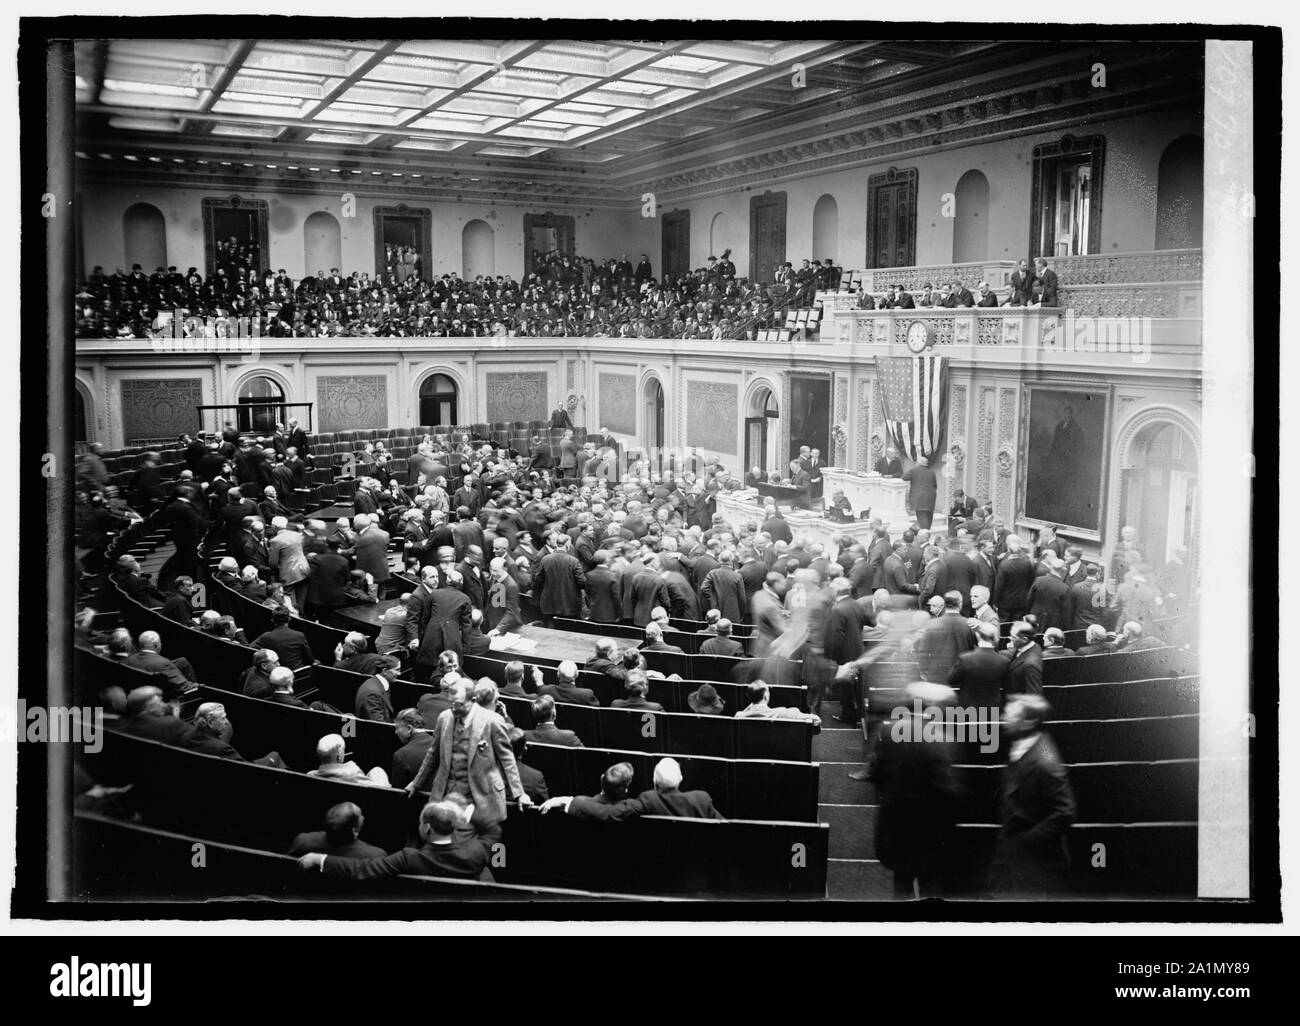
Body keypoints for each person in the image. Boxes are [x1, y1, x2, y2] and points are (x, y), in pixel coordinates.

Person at [868, 681, 962, 899]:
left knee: (901, 881)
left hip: (895, 821)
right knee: (930, 885)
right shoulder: (942, 739)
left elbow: (876, 772)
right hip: (929, 827)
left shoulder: (889, 729)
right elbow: (948, 790)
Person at [405, 679, 532, 838]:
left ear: (473, 701)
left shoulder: (492, 721)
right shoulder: (444, 718)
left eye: (458, 704)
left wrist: (519, 794)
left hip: (481, 793)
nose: (453, 709)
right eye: (451, 704)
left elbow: (507, 759)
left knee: (477, 845)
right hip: (447, 792)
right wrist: (416, 783)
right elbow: (433, 754)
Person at [987, 694, 1076, 897]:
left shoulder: (1045, 762)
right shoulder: (1025, 745)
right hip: (1015, 856)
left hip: (1034, 863)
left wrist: (1024, 842)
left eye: (1010, 715)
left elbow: (1066, 811)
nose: (1003, 718)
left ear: (1028, 722)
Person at [297, 800, 493, 882]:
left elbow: (363, 869)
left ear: (426, 828)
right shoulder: (477, 858)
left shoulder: (408, 858)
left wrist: (320, 859)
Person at [538, 761, 643, 822]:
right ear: (625, 790)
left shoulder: (578, 804)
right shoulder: (631, 810)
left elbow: (573, 802)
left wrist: (562, 799)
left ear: (601, 780)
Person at [632, 757, 725, 819]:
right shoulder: (701, 800)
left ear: (654, 781)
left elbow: (618, 812)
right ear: (680, 779)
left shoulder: (648, 800)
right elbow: (727, 826)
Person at [289, 802, 387, 860]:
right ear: (354, 829)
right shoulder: (375, 856)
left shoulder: (303, 842)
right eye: (360, 816)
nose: (363, 818)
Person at [308, 734, 390, 787]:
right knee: (377, 771)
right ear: (339, 754)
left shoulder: (310, 775)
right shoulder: (353, 773)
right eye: (343, 750)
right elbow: (378, 791)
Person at [251, 606, 315, 671]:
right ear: (289, 619)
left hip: (275, 675)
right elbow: (309, 660)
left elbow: (250, 648)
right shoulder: (299, 635)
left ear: (272, 620)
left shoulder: (266, 636)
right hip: (297, 675)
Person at [390, 708, 434, 789]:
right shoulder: (439, 745)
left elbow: (397, 792)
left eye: (397, 728)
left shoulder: (401, 755)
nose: (395, 732)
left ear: (409, 728)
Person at [353, 656, 400, 723]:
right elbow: (378, 725)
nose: (399, 673)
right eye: (397, 670)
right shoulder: (372, 694)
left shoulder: (379, 684)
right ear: (385, 671)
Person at [1004, 622, 1044, 695]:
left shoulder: (1031, 665)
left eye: (1013, 637)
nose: (1010, 639)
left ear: (1024, 639)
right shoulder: (1033, 646)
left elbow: (1034, 696)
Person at [901, 455, 939, 529]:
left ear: (918, 463)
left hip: (919, 497)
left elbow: (904, 477)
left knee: (922, 516)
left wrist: (914, 468)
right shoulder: (932, 472)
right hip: (931, 497)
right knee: (929, 515)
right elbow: (935, 485)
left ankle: (925, 533)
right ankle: (927, 531)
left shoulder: (914, 470)